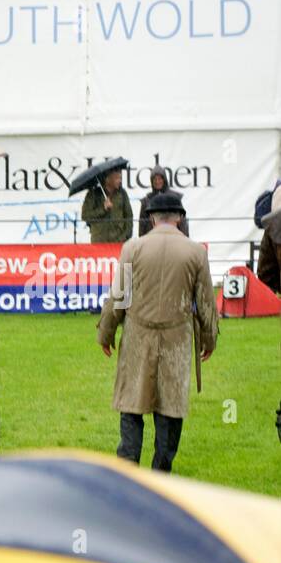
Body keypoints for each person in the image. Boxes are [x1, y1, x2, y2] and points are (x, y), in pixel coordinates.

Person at [96, 191, 217, 473]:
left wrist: (106, 333)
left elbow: (119, 297)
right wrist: (209, 338)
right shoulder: (196, 252)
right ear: (179, 218)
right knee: (170, 408)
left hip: (138, 338)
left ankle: (128, 471)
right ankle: (161, 474)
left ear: (151, 219)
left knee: (131, 405)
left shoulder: (132, 248)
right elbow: (206, 302)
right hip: (177, 340)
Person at [81, 168, 133, 244]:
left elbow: (129, 216)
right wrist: (103, 209)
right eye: (117, 178)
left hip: (119, 241)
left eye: (120, 178)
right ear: (108, 179)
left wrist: (125, 236)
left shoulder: (122, 193)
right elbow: (85, 216)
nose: (120, 181)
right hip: (99, 242)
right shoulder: (93, 194)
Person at [138, 166, 187, 237]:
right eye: (155, 179)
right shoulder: (146, 200)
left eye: (159, 179)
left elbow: (182, 220)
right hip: (152, 237)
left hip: (172, 236)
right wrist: (142, 240)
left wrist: (184, 237)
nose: (157, 181)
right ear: (152, 181)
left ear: (164, 180)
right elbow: (142, 224)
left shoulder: (174, 198)